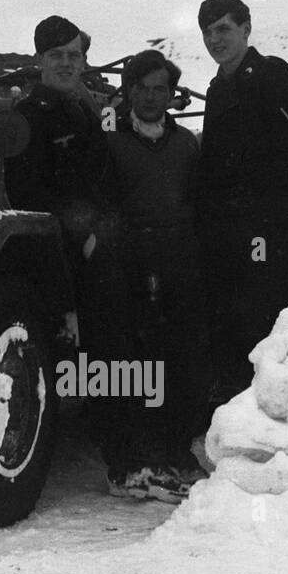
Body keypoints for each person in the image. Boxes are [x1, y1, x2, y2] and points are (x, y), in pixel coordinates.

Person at [2, 16, 143, 498]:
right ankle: (124, 462)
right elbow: (31, 194)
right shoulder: (29, 116)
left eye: (74, 55)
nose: (66, 63)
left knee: (114, 349)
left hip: (98, 245)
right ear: (39, 60)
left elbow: (99, 177)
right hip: (65, 257)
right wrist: (83, 235)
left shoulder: (80, 109)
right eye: (57, 55)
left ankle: (122, 449)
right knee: (105, 354)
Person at [105, 49, 210, 499]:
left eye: (160, 89)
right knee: (132, 363)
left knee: (178, 359)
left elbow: (197, 201)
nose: (151, 97)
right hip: (127, 267)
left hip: (179, 264)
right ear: (128, 92)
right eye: (142, 88)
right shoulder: (110, 140)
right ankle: (131, 463)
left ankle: (173, 453)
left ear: (171, 95)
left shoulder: (185, 143)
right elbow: (97, 202)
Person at [195, 0, 288, 406]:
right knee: (227, 319)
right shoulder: (217, 89)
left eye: (223, 28)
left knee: (260, 317)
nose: (214, 39)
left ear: (246, 29)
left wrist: (273, 224)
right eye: (207, 32)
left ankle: (264, 412)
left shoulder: (273, 76)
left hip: (264, 228)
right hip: (226, 231)